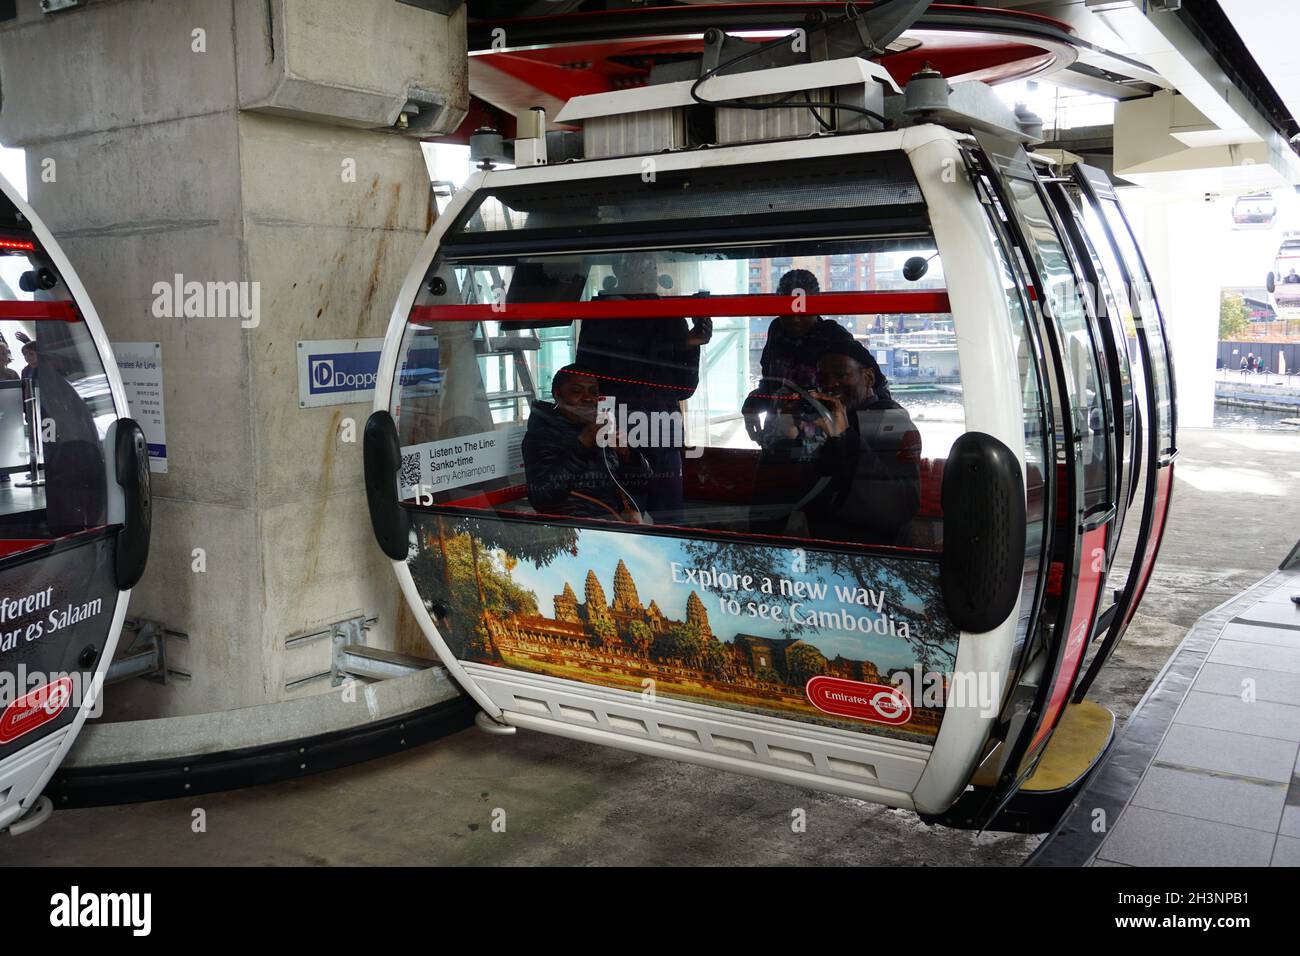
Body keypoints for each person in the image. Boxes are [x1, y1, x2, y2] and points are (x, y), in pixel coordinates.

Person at [572, 255, 710, 523]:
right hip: (624, 432)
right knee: (628, 517)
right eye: (638, 266)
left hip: (657, 430)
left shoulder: (670, 315)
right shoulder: (602, 314)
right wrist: (683, 345)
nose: (646, 272)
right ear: (618, 272)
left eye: (650, 266)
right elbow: (597, 375)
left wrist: (692, 345)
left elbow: (683, 388)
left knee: (668, 520)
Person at [794, 340, 921, 546]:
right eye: (823, 378)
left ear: (869, 377)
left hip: (875, 551)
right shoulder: (827, 422)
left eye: (841, 375)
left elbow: (898, 505)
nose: (830, 384)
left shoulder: (891, 422)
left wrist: (844, 436)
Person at [742, 269, 890, 444]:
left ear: (817, 305)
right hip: (779, 435)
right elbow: (770, 382)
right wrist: (755, 400)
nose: (795, 318)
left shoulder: (832, 335)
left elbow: (875, 385)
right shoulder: (777, 330)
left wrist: (875, 435)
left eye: (803, 310)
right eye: (787, 309)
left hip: (823, 443)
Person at [521, 365, 650, 523]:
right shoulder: (542, 435)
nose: (587, 398)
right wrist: (582, 444)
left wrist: (627, 454)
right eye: (576, 391)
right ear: (558, 395)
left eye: (593, 392)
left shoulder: (602, 428)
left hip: (615, 524)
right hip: (577, 529)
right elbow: (543, 497)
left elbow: (643, 485)